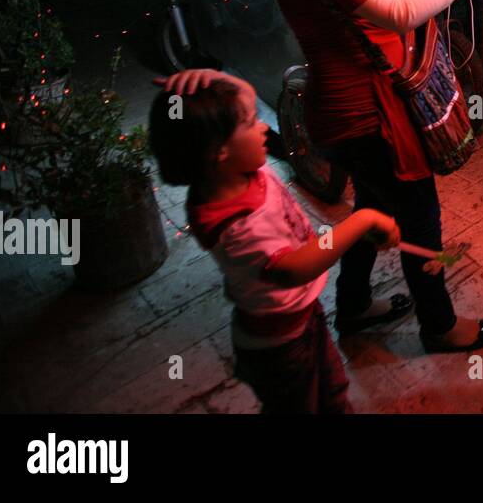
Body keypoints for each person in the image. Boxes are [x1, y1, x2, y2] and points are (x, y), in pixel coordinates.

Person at [246, 0, 483, 350]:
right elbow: (400, 12)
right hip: (368, 112)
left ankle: (354, 306)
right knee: (419, 216)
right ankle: (439, 326)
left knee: (374, 205)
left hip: (350, 110)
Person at [147, 69, 402, 413]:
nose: (263, 126)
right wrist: (362, 220)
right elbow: (296, 268)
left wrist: (211, 79)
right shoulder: (236, 225)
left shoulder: (234, 173)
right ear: (219, 151)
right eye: (252, 122)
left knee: (332, 391)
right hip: (280, 348)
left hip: (301, 318)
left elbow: (245, 95)